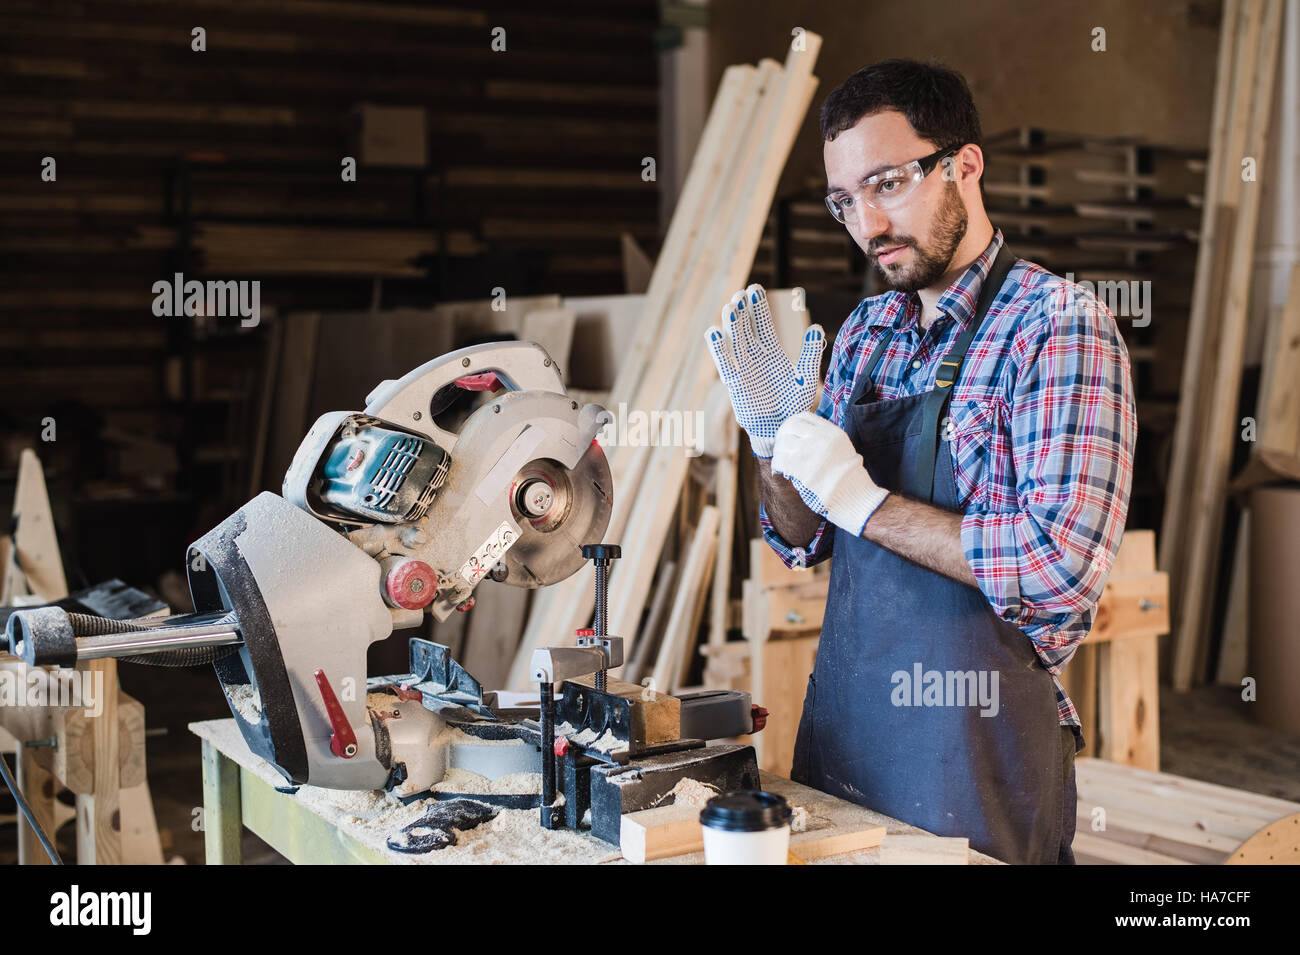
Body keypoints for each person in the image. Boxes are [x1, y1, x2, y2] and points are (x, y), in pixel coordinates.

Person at [705, 59, 1136, 864]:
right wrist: (777, 445)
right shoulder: (869, 330)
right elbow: (798, 538)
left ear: (964, 166)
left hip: (975, 761)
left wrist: (864, 502)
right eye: (844, 201)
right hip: (845, 741)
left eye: (889, 183)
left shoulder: (1057, 328)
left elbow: (1057, 567)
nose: (867, 224)